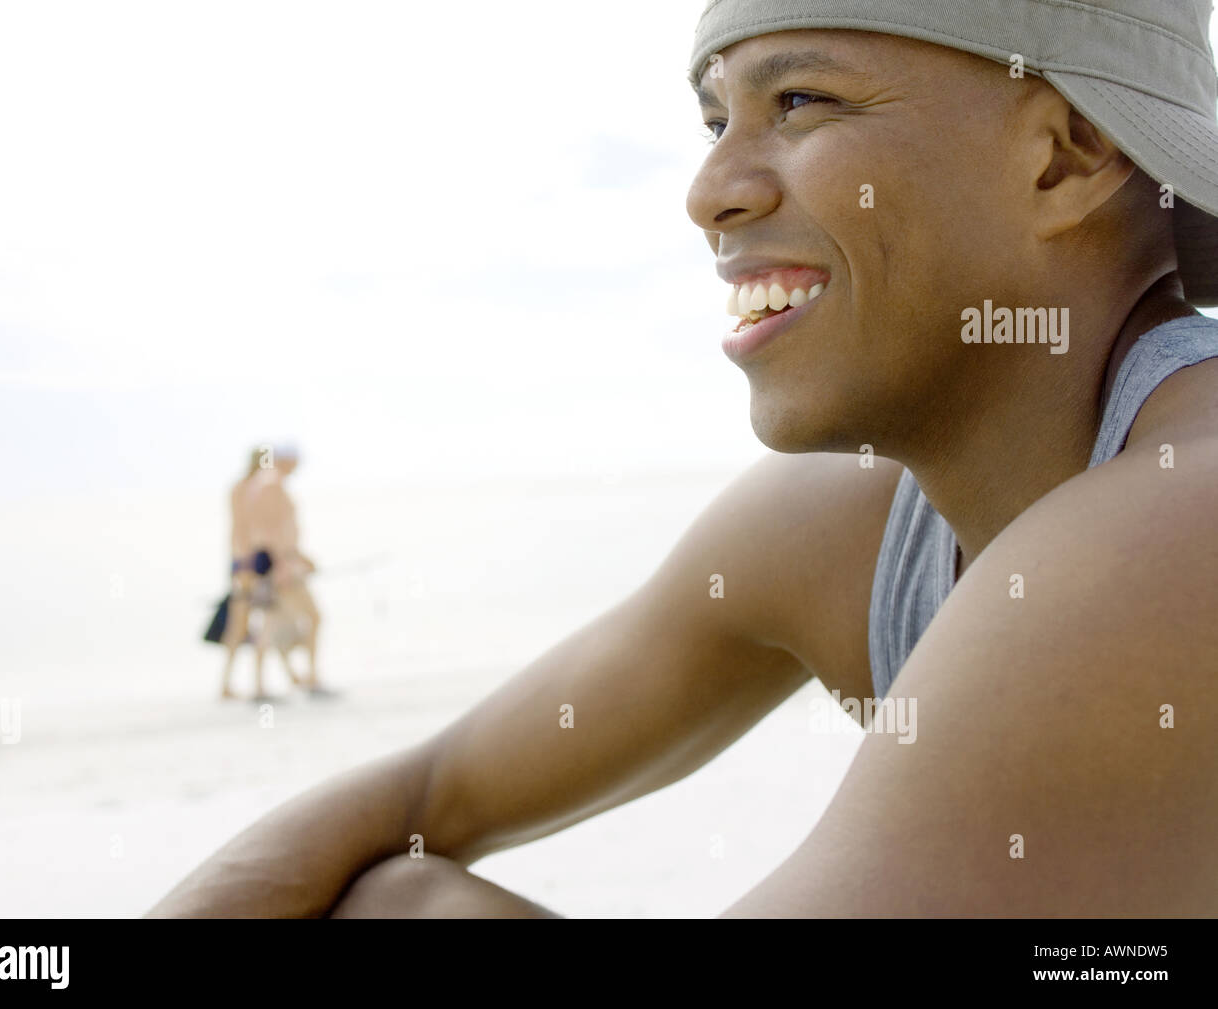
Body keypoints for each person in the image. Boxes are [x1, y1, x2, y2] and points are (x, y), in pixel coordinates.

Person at [151, 0, 1218, 916]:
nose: (709, 191)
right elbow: (429, 797)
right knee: (401, 898)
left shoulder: (1184, 523)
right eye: (716, 119)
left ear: (1061, 156)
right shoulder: (853, 527)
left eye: (799, 102)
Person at [219, 444, 325, 700]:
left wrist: (243, 564)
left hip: (244, 563)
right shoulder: (267, 486)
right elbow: (264, 532)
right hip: (263, 563)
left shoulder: (242, 489)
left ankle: (239, 685)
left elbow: (243, 532)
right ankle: (301, 679)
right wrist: (284, 562)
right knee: (283, 620)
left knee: (248, 624)